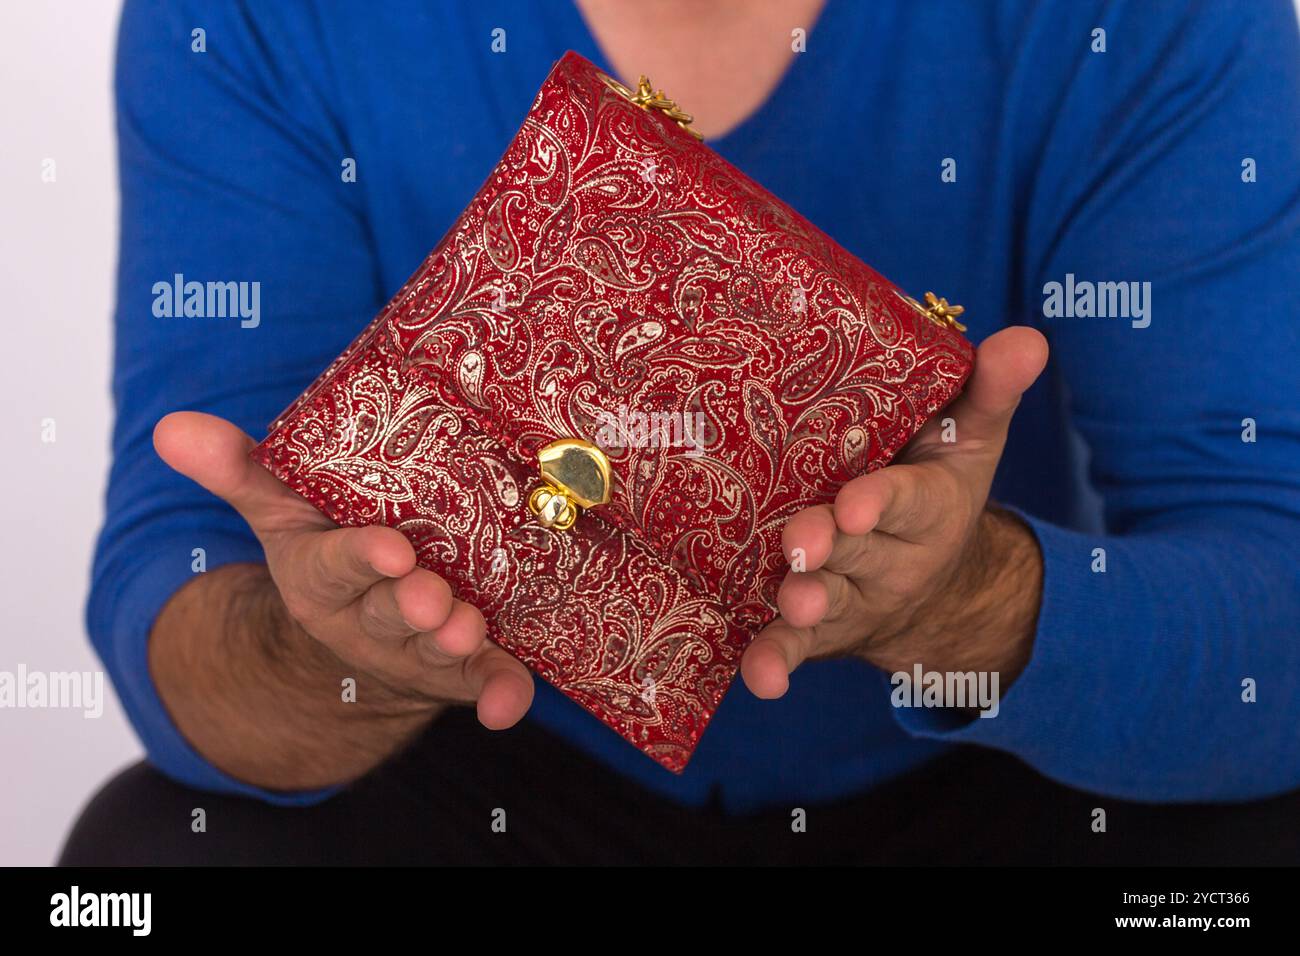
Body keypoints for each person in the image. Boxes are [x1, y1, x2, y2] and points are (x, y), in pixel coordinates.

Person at [62, 0, 1300, 865]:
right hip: (490, 767)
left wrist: (969, 606)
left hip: (1001, 775)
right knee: (145, 863)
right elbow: (173, 602)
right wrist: (333, 648)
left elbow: (1274, 588)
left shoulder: (1148, 14)